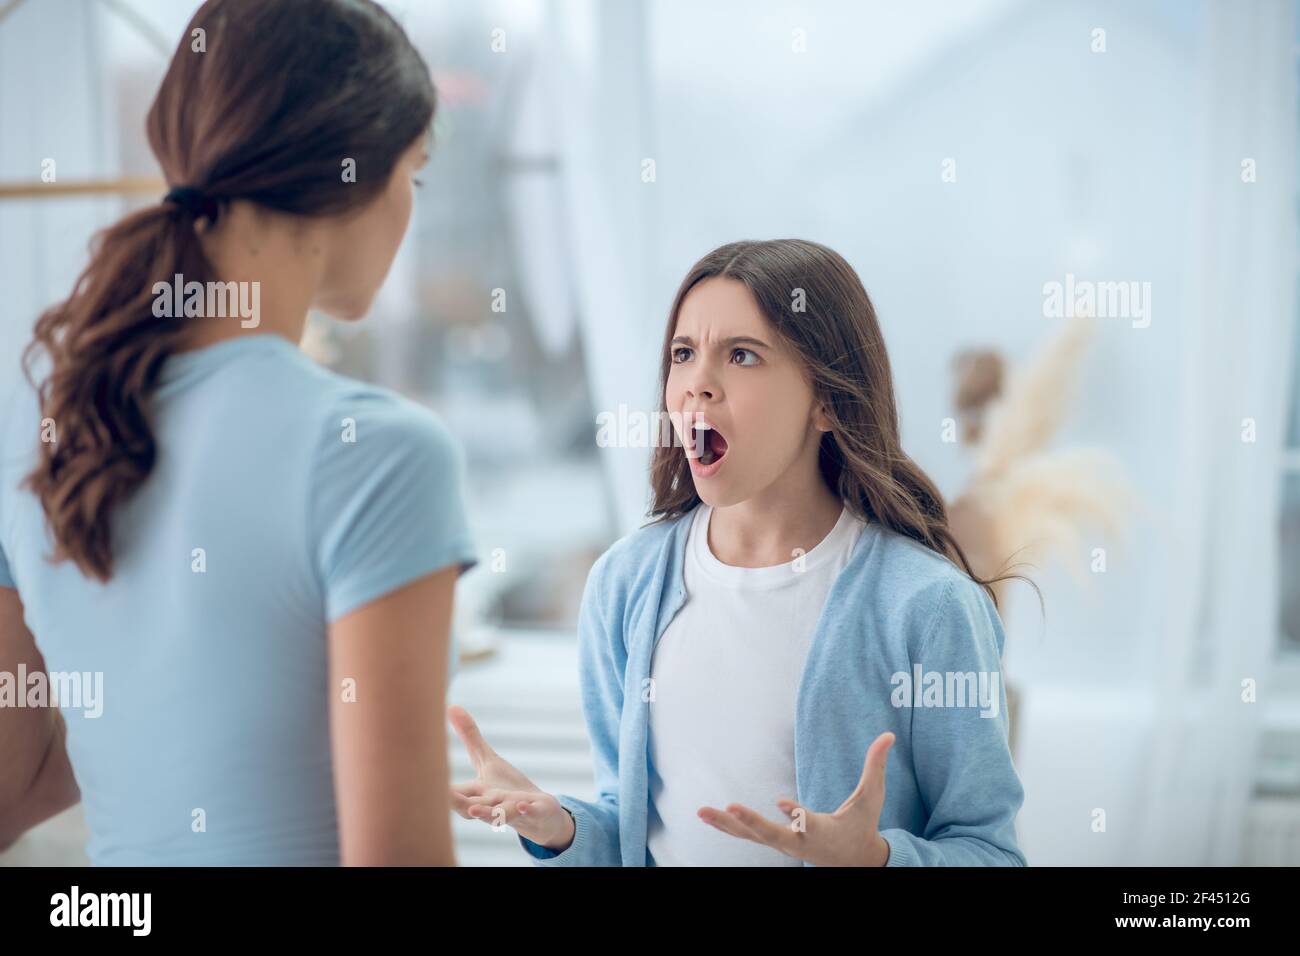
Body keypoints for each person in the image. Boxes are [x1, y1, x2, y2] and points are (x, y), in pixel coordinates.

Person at [0, 0, 475, 865]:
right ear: (352, 167)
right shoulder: (378, 456)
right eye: (417, 171)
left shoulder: (39, 447)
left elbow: (13, 786)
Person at [451, 239, 1030, 866]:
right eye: (682, 354)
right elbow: (629, 823)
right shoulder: (623, 584)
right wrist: (562, 826)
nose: (698, 384)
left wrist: (876, 859)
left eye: (742, 355)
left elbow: (989, 852)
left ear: (827, 402)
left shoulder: (929, 607)